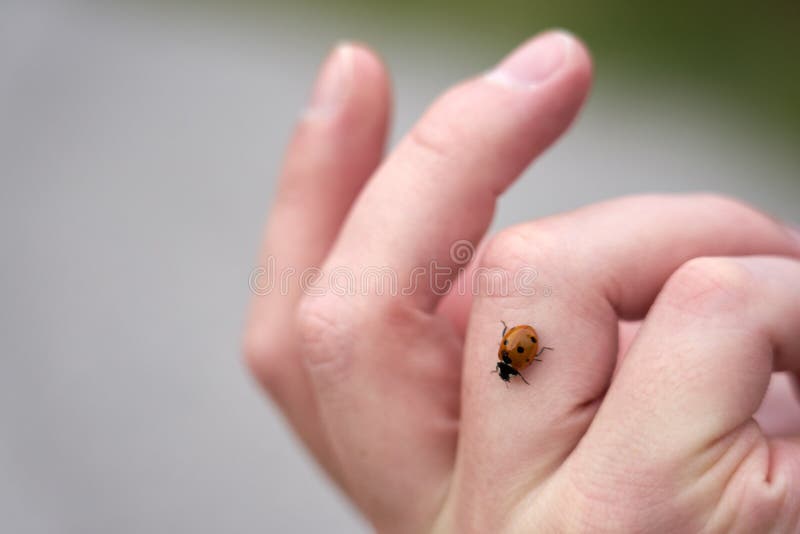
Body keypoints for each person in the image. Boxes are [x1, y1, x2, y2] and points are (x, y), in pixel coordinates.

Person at [243, 30, 800, 532]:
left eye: (510, 362)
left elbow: (523, 350)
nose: (511, 364)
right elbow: (522, 351)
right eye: (511, 362)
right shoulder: (515, 355)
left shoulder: (516, 354)